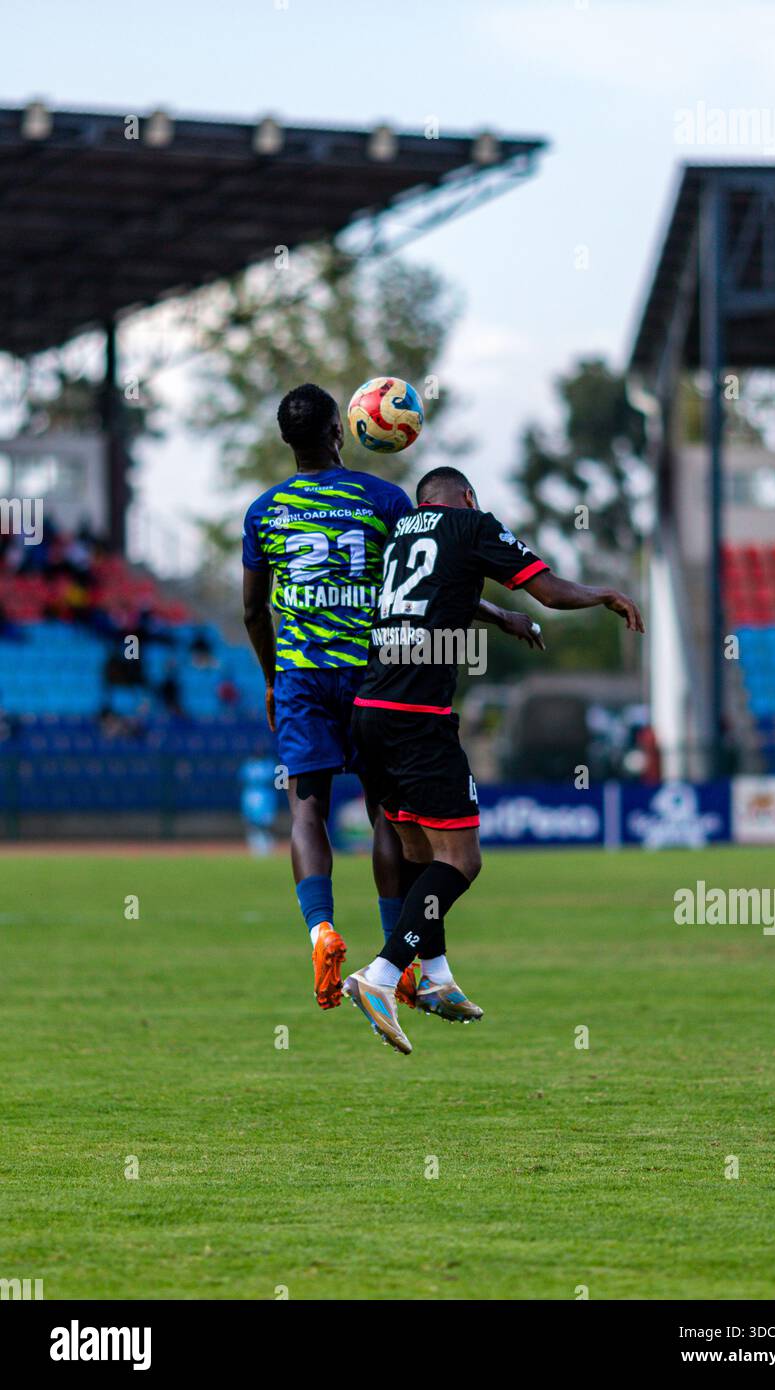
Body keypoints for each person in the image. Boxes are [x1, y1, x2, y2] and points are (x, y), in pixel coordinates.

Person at [242, 385, 537, 1011]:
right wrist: (500, 615)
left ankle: (320, 929)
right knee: (388, 817)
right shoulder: (382, 499)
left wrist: (272, 678)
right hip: (373, 676)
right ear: (339, 432)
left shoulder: (263, 511)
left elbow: (251, 610)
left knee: (307, 814)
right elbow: (424, 581)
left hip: (299, 674)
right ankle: (395, 956)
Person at [345, 464, 645, 1055]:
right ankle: (382, 975)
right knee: (461, 859)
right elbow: (550, 589)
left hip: (370, 708)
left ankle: (434, 978)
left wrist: (498, 615)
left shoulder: (402, 531)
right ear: (467, 497)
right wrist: (603, 594)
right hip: (418, 718)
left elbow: (442, 591)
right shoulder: (471, 522)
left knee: (418, 851)